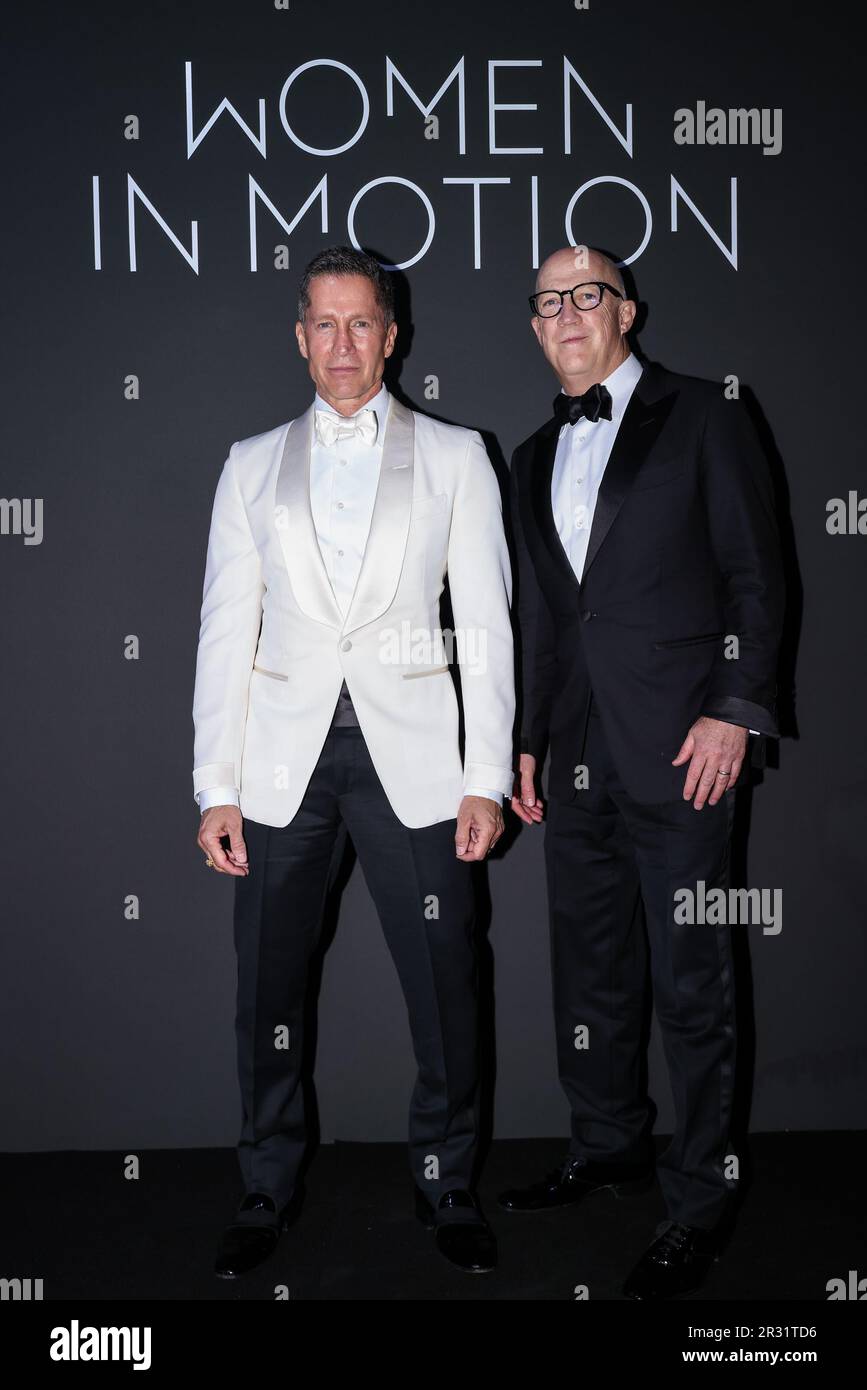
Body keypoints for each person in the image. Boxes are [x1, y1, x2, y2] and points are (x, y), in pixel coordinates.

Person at [192, 246, 515, 1278]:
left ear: (393, 333)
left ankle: (447, 1180)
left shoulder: (460, 457)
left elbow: (493, 628)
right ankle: (265, 1182)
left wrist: (487, 773)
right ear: (300, 336)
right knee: (268, 993)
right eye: (323, 324)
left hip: (416, 759)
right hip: (283, 766)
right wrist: (217, 787)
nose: (342, 344)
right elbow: (220, 632)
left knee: (446, 980)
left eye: (361, 323)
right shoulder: (248, 463)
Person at [501, 244, 785, 1299]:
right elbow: (544, 619)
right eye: (548, 301)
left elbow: (760, 573)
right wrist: (524, 739)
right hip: (573, 757)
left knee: (693, 984)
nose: (567, 313)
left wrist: (734, 710)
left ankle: (701, 1200)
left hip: (685, 752)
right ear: (534, 326)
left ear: (627, 311)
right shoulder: (530, 457)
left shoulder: (705, 413)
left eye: (588, 295)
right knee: (593, 972)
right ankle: (608, 1140)